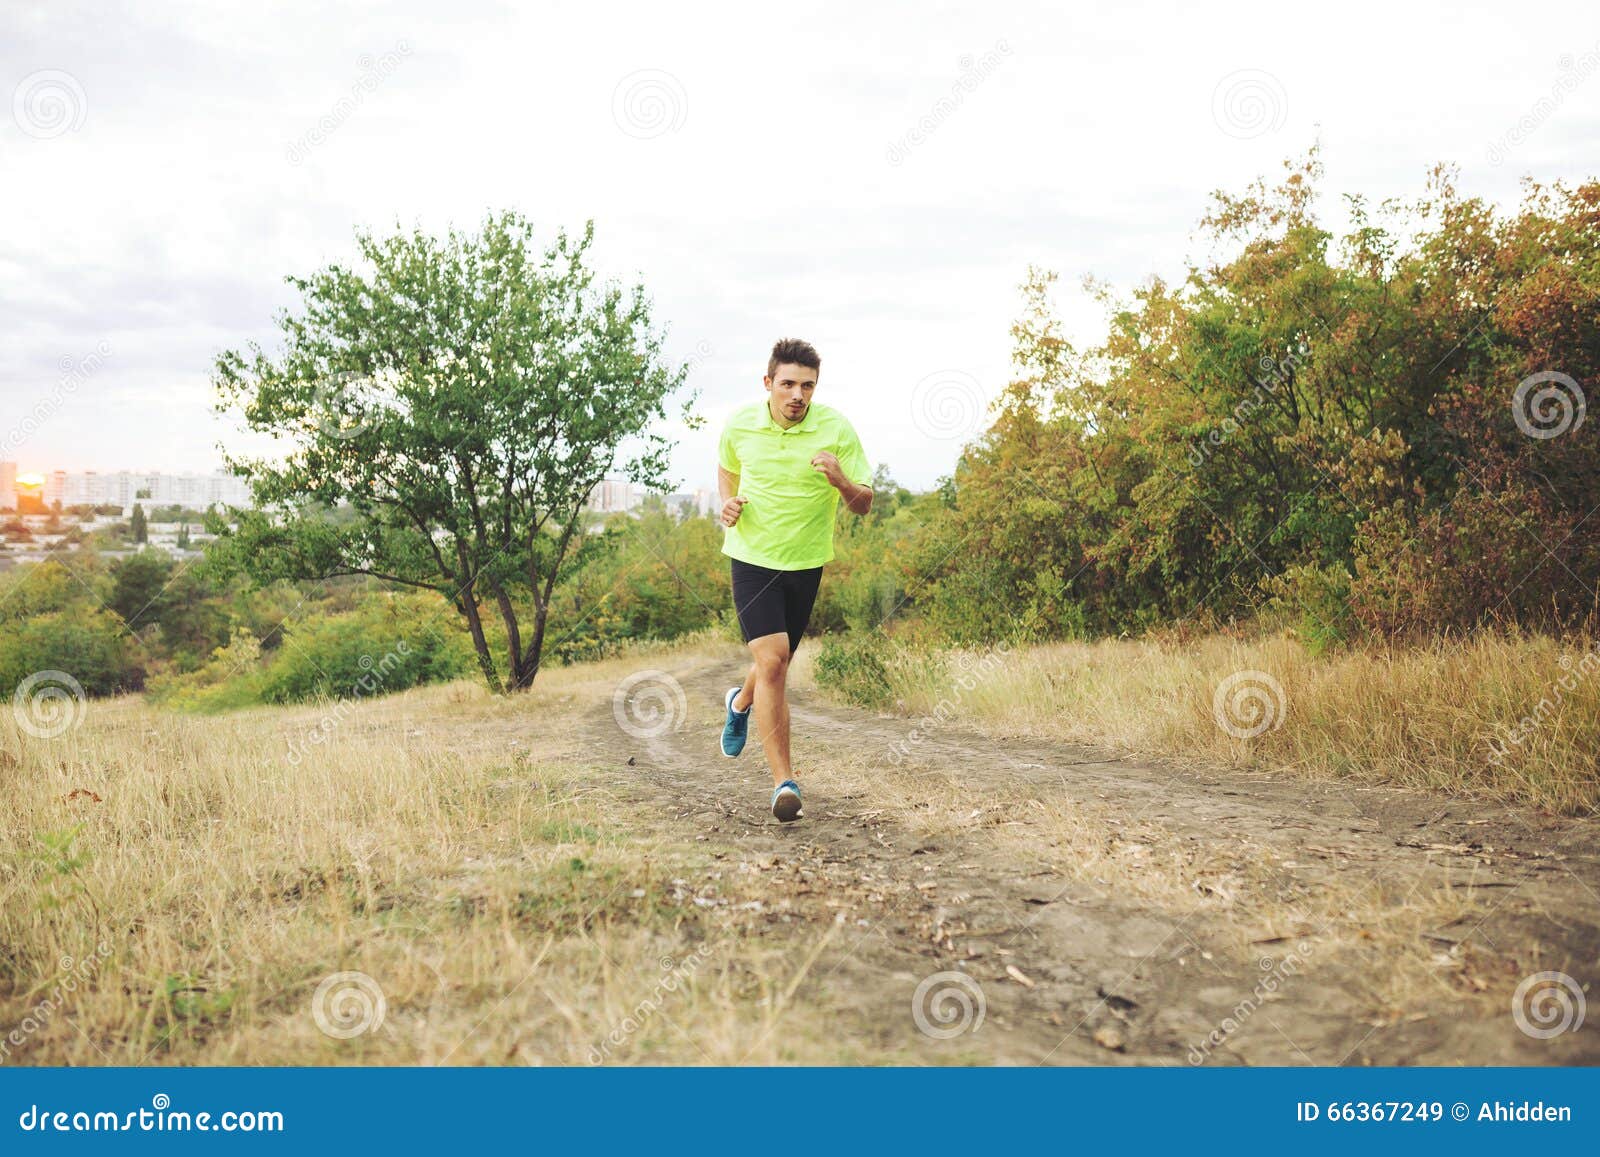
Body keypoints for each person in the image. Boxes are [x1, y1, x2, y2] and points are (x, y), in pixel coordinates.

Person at [716, 337, 874, 821]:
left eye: (808, 385)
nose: (797, 395)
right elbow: (727, 467)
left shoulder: (837, 429)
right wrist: (727, 504)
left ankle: (740, 703)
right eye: (787, 384)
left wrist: (841, 481)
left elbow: (864, 502)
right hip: (752, 559)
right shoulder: (741, 423)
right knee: (775, 661)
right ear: (769, 383)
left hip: (806, 564)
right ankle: (784, 782)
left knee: (773, 666)